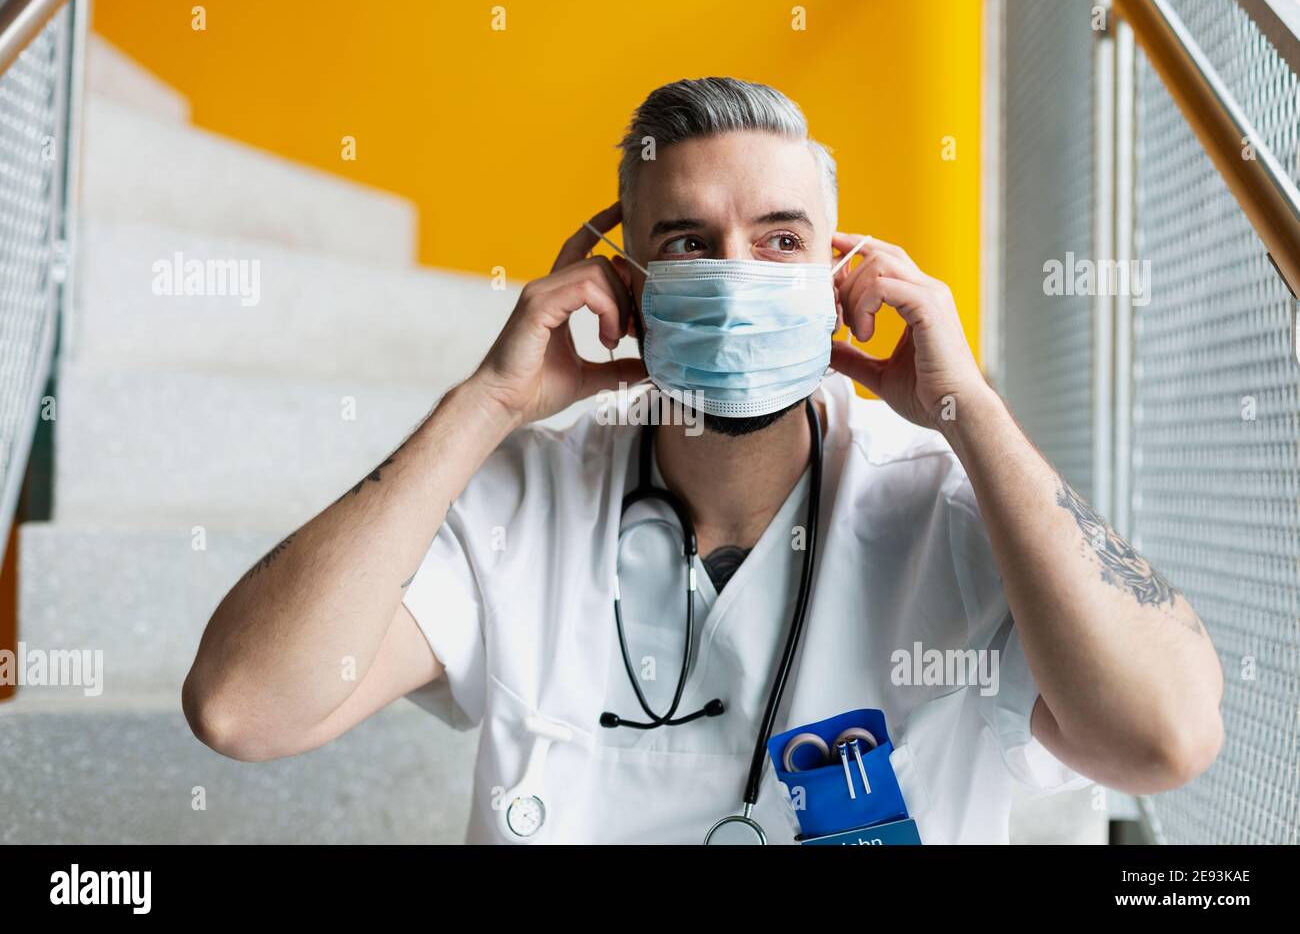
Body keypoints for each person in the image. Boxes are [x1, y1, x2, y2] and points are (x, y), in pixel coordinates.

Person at [182, 77, 1223, 844]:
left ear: (839, 275)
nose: (735, 272)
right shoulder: (520, 500)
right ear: (623, 285)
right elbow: (243, 706)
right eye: (685, 242)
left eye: (780, 241)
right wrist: (486, 402)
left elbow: (1163, 739)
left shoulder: (952, 508)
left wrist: (971, 411)